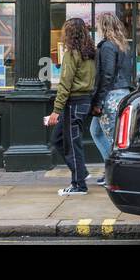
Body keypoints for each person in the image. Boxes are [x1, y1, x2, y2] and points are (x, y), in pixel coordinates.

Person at [46, 18, 96, 196]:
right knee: (58, 139)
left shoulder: (71, 54)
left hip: (74, 104)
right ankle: (80, 172)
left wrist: (56, 110)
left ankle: (78, 185)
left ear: (69, 34)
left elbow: (65, 84)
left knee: (72, 144)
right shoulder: (90, 53)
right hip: (84, 102)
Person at [89, 12, 134, 186]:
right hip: (120, 93)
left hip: (111, 96)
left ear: (104, 26)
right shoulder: (122, 45)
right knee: (97, 132)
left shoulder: (107, 46)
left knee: (111, 138)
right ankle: (111, 169)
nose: (97, 28)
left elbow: (107, 75)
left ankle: (116, 173)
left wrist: (98, 102)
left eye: (99, 25)